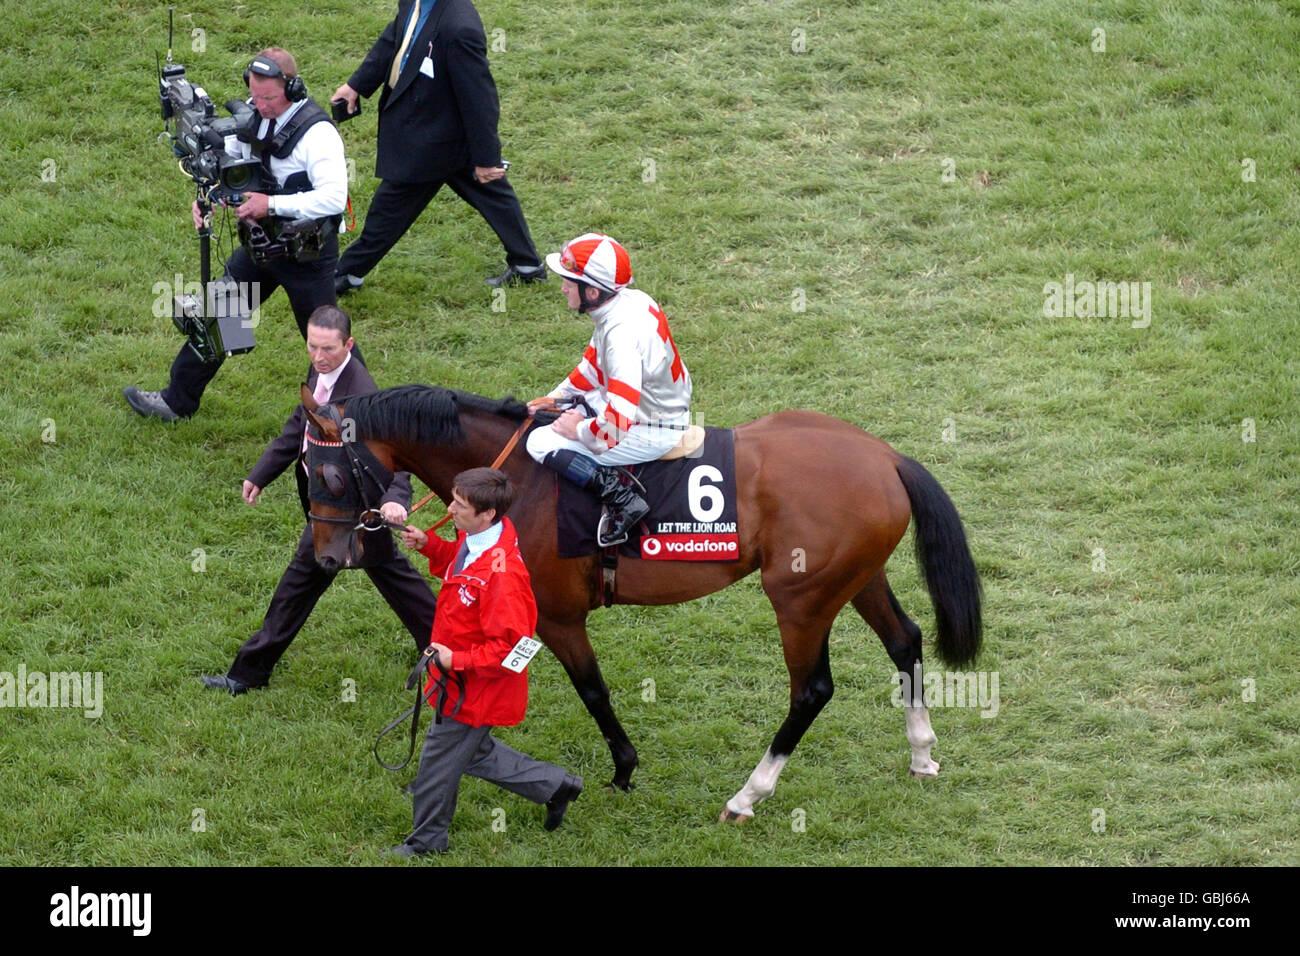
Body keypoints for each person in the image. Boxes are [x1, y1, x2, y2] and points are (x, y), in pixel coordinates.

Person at [201, 305, 437, 695]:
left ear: (349, 344)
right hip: (335, 504)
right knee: (392, 578)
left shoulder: (360, 398)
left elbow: (394, 452)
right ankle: (442, 645)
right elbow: (301, 421)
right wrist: (261, 474)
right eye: (312, 346)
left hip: (352, 510)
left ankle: (247, 673)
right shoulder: (324, 369)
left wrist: (397, 499)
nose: (318, 357)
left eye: (328, 349)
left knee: (301, 584)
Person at [124, 47, 348, 422]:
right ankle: (177, 401)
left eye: (269, 98)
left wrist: (271, 205)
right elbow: (231, 165)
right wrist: (210, 198)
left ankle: (353, 414)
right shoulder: (254, 114)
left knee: (326, 341)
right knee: (219, 314)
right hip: (260, 245)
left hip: (306, 257)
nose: (260, 105)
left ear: (292, 89)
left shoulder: (318, 135)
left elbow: (333, 198)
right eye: (256, 96)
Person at [391, 468, 581, 856]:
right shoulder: (474, 537)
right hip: (462, 683)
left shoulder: (503, 579)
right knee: (476, 754)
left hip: (471, 691)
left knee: (437, 764)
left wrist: (452, 659)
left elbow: (510, 651)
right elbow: (459, 566)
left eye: (460, 505)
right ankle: (556, 785)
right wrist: (430, 544)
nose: (451, 508)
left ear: (488, 513)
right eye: (454, 499)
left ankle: (427, 843)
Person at [331, 0, 546, 294]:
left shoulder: (460, 28)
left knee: (390, 207)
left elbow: (479, 99)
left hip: (431, 139)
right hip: (437, 129)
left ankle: (348, 273)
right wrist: (357, 84)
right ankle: (528, 265)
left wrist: (485, 158)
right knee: (492, 193)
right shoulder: (416, 2)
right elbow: (396, 38)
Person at [525, 233, 693, 546]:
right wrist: (556, 398)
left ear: (591, 291)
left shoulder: (620, 336)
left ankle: (624, 500)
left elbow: (616, 423)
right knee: (554, 416)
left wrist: (578, 429)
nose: (562, 288)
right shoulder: (629, 301)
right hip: (654, 407)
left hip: (651, 428)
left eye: (568, 282)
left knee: (539, 442)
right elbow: (592, 367)